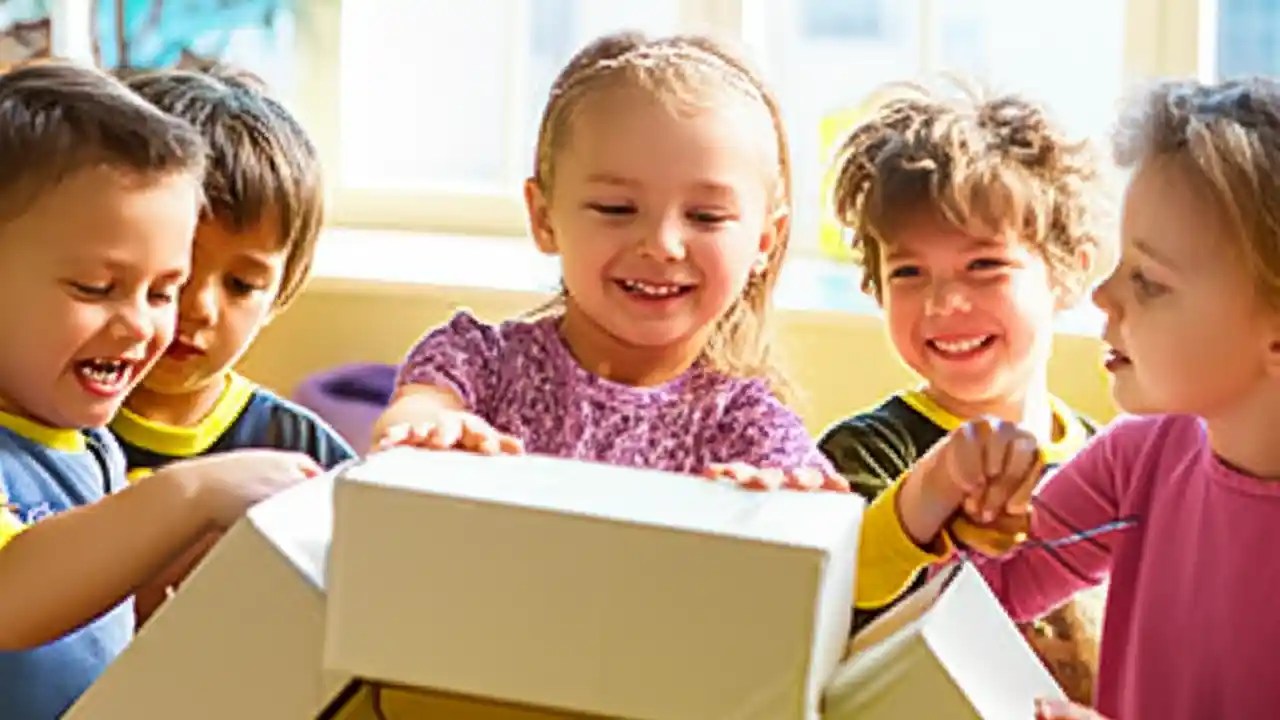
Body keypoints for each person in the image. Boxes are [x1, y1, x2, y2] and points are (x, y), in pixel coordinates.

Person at [904, 77, 1280, 720]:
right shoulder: (1138, 459)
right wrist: (937, 486)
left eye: (1150, 281)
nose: (1103, 296)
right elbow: (989, 594)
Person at [371, 32, 838, 484]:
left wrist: (788, 507)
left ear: (765, 241)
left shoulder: (750, 427)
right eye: (616, 209)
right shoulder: (479, 361)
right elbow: (416, 417)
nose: (662, 244)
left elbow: (822, 516)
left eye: (706, 215)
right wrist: (431, 431)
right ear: (544, 218)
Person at [0, 60, 317, 719]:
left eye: (160, 291)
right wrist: (192, 495)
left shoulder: (89, 446)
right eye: (96, 287)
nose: (141, 323)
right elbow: (11, 594)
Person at [816, 79, 1112, 703]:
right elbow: (837, 606)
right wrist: (936, 485)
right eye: (908, 273)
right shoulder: (864, 452)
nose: (945, 302)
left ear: (1071, 272)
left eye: (984, 266)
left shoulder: (1112, 461)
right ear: (874, 287)